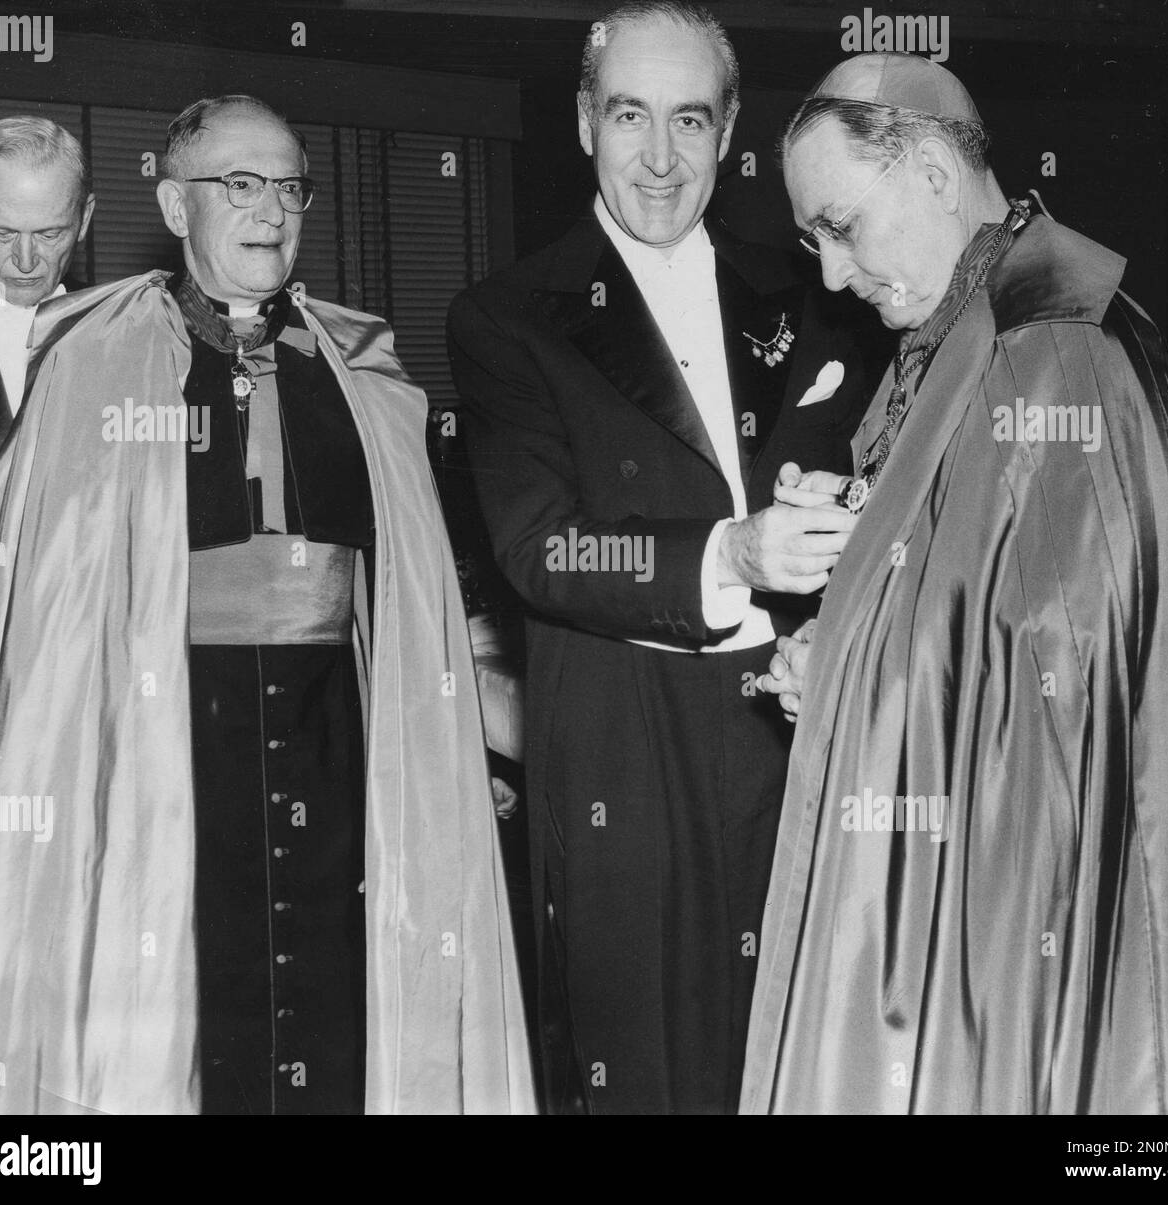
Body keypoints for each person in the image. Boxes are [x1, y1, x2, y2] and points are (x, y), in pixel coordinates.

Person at [0, 94, 533, 1115]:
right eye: (239, 184)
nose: (270, 208)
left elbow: (422, 603)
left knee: (339, 1024)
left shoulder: (361, 369)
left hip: (339, 755)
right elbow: (49, 608)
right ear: (175, 206)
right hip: (160, 756)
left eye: (288, 185)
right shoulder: (92, 357)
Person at [746, 52, 1168, 1113]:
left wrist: (843, 663)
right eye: (812, 243)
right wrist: (850, 590)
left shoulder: (1054, 346)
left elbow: (1058, 677)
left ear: (931, 171)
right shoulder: (981, 319)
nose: (831, 276)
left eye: (840, 226)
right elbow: (982, 588)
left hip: (1031, 917)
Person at [448, 1, 870, 1114]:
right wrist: (732, 547)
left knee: (802, 1053)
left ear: (729, 134)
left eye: (691, 120)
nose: (660, 155)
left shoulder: (817, 286)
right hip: (618, 740)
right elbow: (540, 547)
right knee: (639, 1071)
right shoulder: (507, 317)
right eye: (630, 115)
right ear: (585, 123)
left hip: (793, 722)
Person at [0, 116, 91, 753]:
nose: (26, 260)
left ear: (85, 218)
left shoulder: (119, 331)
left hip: (73, 683)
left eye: (51, 232)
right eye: (2, 231)